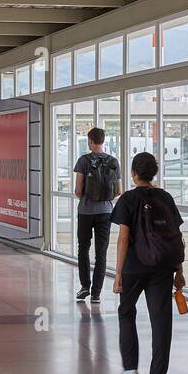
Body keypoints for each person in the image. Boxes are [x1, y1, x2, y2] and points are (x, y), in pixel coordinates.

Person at [110, 153, 185, 374]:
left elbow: (123, 238)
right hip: (162, 267)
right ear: (153, 173)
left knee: (126, 311)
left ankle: (130, 366)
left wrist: (118, 273)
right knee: (161, 320)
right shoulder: (165, 197)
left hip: (133, 266)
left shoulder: (128, 199)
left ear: (133, 173)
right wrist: (179, 270)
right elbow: (176, 237)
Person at [73, 127, 121, 305]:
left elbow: (78, 190)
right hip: (106, 212)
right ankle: (96, 294)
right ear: (103, 140)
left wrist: (85, 197)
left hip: (85, 211)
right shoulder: (113, 161)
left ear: (91, 141)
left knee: (83, 248)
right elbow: (119, 190)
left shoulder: (84, 160)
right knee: (101, 253)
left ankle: (85, 286)